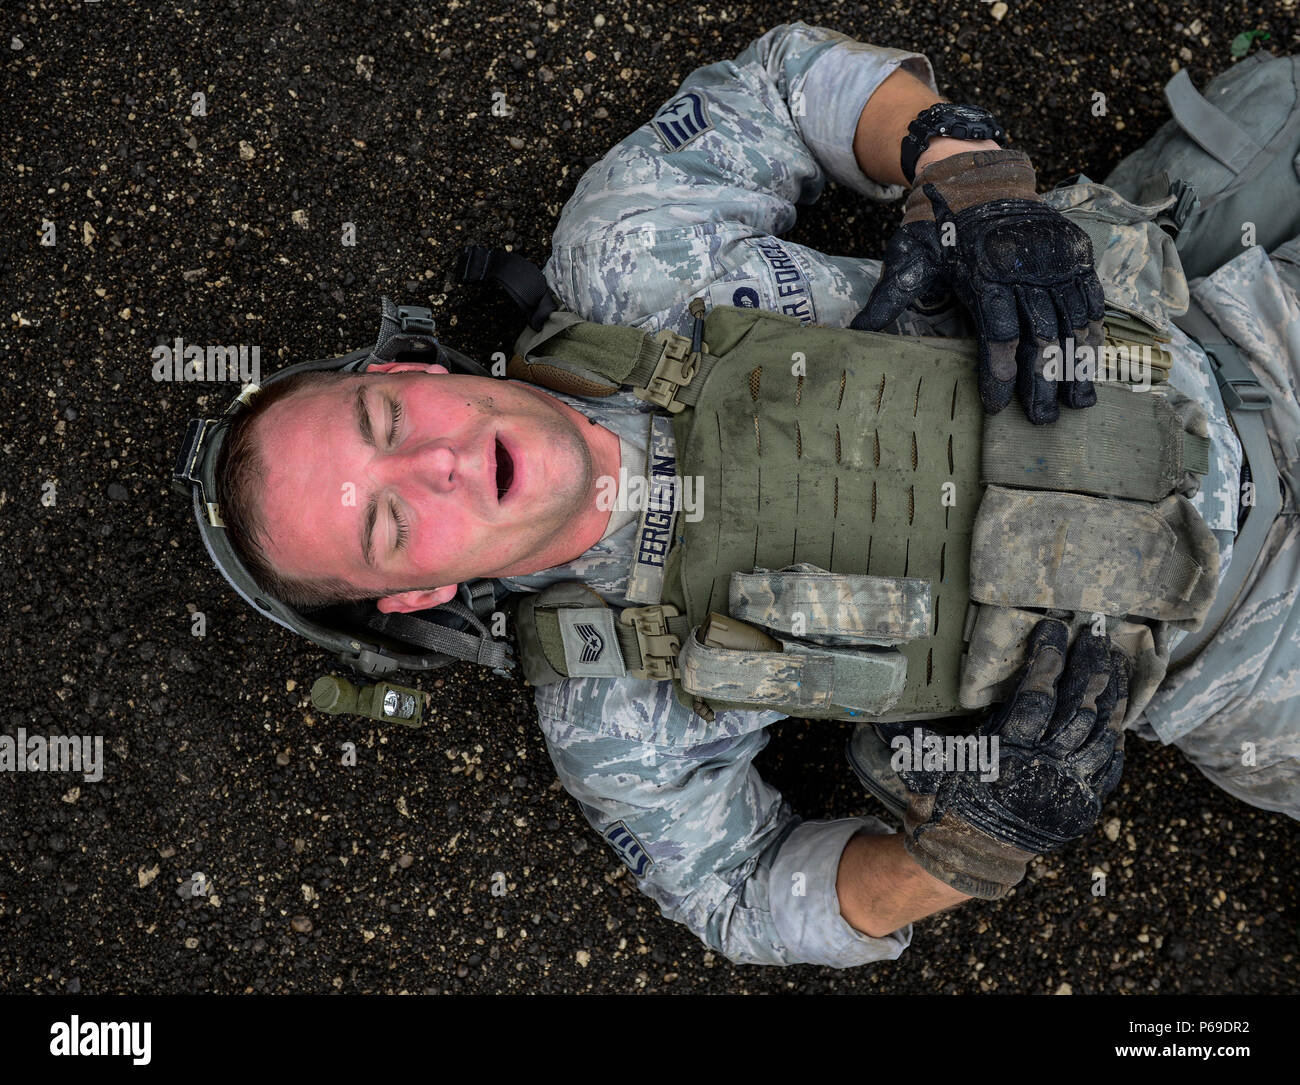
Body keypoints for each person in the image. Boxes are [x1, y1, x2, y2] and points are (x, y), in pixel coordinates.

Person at [184, 23, 1298, 967]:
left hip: (1232, 336)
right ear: (415, 593)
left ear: (411, 373)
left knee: (1273, 106)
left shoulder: (631, 256)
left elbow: (784, 80)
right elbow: (747, 899)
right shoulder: (616, 716)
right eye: (389, 523)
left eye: (385, 425)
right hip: (1246, 651)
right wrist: (968, 844)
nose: (429, 466)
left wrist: (967, 181)